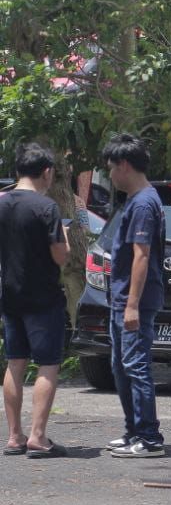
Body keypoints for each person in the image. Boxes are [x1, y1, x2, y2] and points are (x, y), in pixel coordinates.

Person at [1, 144, 71, 458]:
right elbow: (60, 257)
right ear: (46, 172)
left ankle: (14, 435)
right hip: (42, 296)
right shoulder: (46, 208)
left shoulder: (1, 203)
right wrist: (65, 240)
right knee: (47, 363)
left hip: (10, 294)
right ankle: (38, 436)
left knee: (15, 361)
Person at [103, 134, 167, 458]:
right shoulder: (138, 199)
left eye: (112, 168)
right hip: (121, 298)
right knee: (121, 365)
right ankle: (133, 431)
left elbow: (141, 256)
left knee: (136, 365)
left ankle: (149, 438)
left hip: (134, 300)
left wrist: (132, 305)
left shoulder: (143, 203)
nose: (110, 176)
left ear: (125, 165)